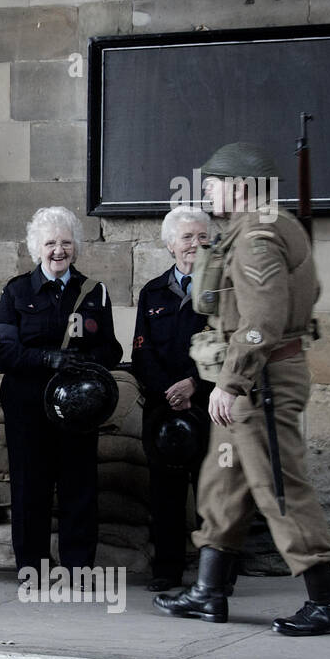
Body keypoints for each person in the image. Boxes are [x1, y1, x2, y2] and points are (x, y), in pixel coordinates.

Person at [154, 142, 330, 636]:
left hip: (258, 384)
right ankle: (209, 592)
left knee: (280, 487)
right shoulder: (270, 225)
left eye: (215, 183)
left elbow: (262, 320)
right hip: (251, 382)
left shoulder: (257, 236)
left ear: (240, 186)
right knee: (222, 485)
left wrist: (232, 381)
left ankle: (326, 601)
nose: (208, 193)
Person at [0, 206, 122, 574]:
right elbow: (3, 352)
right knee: (29, 486)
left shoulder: (94, 293)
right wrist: (51, 360)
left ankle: (80, 568)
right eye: (50, 243)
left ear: (76, 247)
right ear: (37, 248)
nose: (58, 250)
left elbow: (112, 349)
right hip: (27, 405)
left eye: (66, 242)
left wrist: (87, 361)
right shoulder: (16, 291)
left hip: (79, 407)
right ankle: (32, 567)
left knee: (78, 486)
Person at [132, 206, 212, 591]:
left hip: (209, 406)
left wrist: (194, 385)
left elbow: (229, 346)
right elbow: (142, 351)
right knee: (165, 493)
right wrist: (170, 391)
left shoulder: (223, 291)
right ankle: (166, 569)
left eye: (202, 237)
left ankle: (215, 577)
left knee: (212, 492)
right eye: (187, 238)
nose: (195, 245)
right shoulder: (152, 293)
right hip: (163, 407)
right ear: (169, 245)